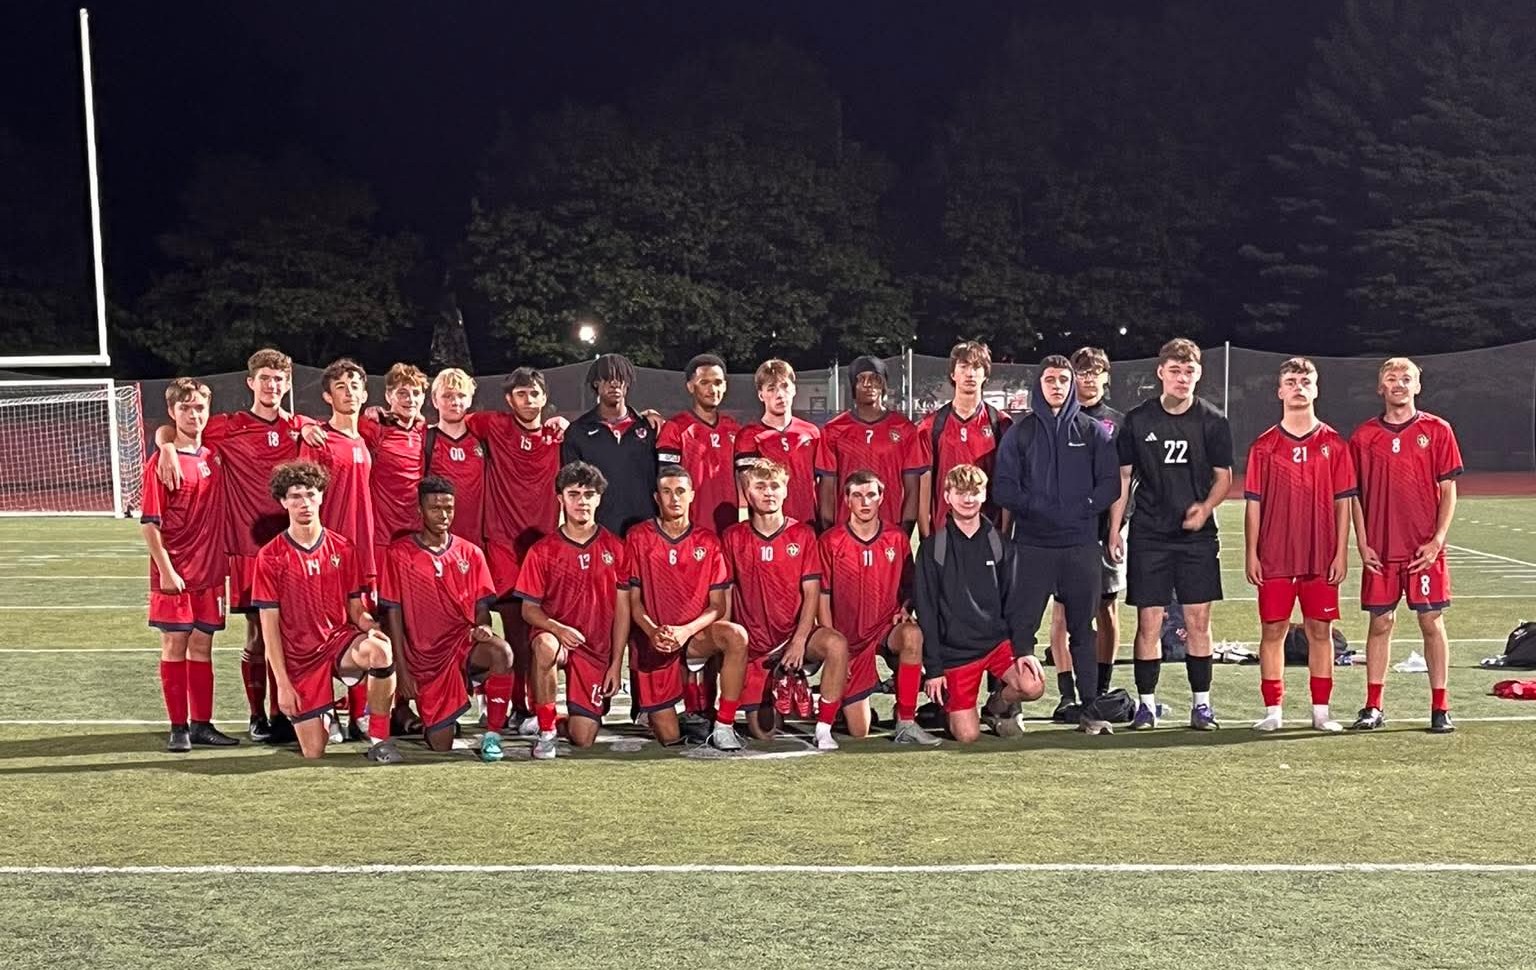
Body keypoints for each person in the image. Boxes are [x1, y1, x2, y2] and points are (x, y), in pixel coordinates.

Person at [153, 348, 309, 743]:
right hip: (243, 550)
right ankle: (257, 716)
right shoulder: (229, 426)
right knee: (257, 635)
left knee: (288, 635)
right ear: (250, 383)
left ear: (287, 385)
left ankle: (283, 714)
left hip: (289, 550)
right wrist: (166, 446)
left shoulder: (300, 427)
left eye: (279, 380)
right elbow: (178, 428)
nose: (272, 386)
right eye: (265, 379)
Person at [1108, 338, 1232, 731]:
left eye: (1190, 371)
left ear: (1199, 374)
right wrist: (1115, 528)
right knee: (1149, 622)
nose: (1183, 378)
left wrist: (1206, 508)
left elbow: (1224, 477)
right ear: (1161, 373)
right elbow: (1124, 479)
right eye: (1175, 371)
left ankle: (1202, 705)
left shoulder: (1213, 420)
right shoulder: (1138, 420)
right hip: (1149, 534)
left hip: (1196, 538)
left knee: (1198, 622)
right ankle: (1145, 706)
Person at [993, 355, 1121, 734]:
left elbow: (1110, 484)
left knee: (1083, 629)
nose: (1058, 386)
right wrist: (1037, 508)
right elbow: (1003, 487)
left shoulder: (1093, 431)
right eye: (1050, 379)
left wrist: (1081, 508)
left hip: (1080, 546)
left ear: (1071, 386)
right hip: (1032, 546)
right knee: (1021, 629)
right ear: (1040, 385)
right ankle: (1010, 705)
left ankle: (1090, 707)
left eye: (1064, 380)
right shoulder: (1021, 432)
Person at [251, 461, 401, 763]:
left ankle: (379, 740)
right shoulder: (270, 556)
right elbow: (269, 629)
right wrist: (282, 685)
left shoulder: (343, 548)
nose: (304, 503)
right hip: (300, 657)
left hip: (337, 643)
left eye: (310, 494)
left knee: (380, 651)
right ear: (283, 502)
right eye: (295, 496)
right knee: (314, 753)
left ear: (321, 497)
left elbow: (355, 608)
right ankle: (325, 712)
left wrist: (370, 625)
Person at [1348, 357, 1463, 734]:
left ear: (1418, 386)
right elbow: (1355, 496)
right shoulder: (1363, 436)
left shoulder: (1438, 430)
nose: (1399, 384)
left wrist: (1437, 541)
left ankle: (1440, 707)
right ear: (1380, 387)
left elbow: (1448, 490)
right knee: (1380, 622)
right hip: (1381, 549)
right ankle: (1373, 706)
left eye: (1406, 378)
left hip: (1423, 550)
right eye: (1391, 378)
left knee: (1431, 620)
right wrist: (1363, 545)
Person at [1243, 357, 1357, 733]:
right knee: (1273, 630)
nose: (1298, 386)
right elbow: (1254, 504)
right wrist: (1251, 552)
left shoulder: (1334, 444)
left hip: (1321, 555)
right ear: (1279, 391)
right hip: (1275, 554)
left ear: (1316, 389)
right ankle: (1273, 709)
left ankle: (1321, 711)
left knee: (1319, 631)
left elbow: (1343, 502)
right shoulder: (1264, 446)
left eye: (1305, 380)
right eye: (1290, 381)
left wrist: (1341, 552)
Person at [619, 464, 749, 750]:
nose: (674, 498)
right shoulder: (638, 537)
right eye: (666, 492)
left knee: (736, 634)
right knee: (669, 738)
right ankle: (663, 712)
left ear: (692, 495)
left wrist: (685, 631)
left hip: (694, 637)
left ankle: (724, 725)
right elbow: (633, 600)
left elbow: (717, 606)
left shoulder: (708, 541)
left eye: (680, 491)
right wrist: (654, 631)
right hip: (655, 641)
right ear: (656, 497)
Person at [465, 368, 567, 735]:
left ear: (544, 398)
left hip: (542, 550)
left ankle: (527, 705)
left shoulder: (556, 436)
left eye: (534, 394)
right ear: (509, 400)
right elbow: (453, 415)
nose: (528, 400)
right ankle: (501, 699)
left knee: (535, 631)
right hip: (502, 544)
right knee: (508, 628)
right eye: (520, 394)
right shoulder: (493, 425)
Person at [379, 477, 509, 759]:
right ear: (420, 511)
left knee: (502, 653)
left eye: (449, 507)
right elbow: (392, 613)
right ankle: (423, 717)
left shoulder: (471, 553)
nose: (443, 515)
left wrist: (483, 626)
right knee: (441, 744)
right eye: (435, 508)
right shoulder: (399, 553)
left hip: (461, 646)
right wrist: (401, 668)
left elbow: (481, 605)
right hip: (421, 655)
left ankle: (493, 735)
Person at [724, 459, 849, 750]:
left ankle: (824, 728)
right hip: (754, 646)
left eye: (775, 486)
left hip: (794, 638)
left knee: (836, 644)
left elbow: (812, 594)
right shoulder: (733, 536)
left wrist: (799, 640)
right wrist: (734, 648)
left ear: (786, 491)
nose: (768, 492)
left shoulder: (803, 534)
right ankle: (775, 684)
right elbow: (728, 594)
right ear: (747, 492)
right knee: (764, 732)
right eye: (760, 486)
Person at [141, 378, 237, 752]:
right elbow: (150, 523)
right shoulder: (162, 464)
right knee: (174, 645)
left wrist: (164, 441)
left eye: (199, 407)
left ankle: (202, 724)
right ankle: (178, 728)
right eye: (185, 408)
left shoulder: (213, 456)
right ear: (172, 411)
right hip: (176, 573)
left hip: (210, 572)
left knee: (202, 647)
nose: (193, 414)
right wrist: (166, 569)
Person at [915, 464, 1044, 743]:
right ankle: (947, 706)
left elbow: (1017, 603)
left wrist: (1024, 650)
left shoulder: (999, 543)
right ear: (947, 496)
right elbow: (926, 611)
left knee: (1033, 684)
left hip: (996, 644)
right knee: (967, 736)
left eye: (975, 492)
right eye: (960, 492)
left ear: (985, 495)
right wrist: (934, 669)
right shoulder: (933, 548)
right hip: (957, 653)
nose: (968, 498)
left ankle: (996, 707)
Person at [817, 470, 939, 745]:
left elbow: (910, 586)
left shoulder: (897, 538)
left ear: (881, 498)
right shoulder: (831, 541)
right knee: (860, 730)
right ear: (846, 499)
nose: (864, 502)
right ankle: (827, 695)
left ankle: (906, 721)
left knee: (912, 635)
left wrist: (907, 607)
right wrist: (835, 647)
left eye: (871, 495)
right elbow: (822, 597)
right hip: (850, 640)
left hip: (886, 628)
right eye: (857, 495)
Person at [516, 462, 628, 758]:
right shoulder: (542, 550)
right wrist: (557, 628)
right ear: (560, 499)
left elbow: (623, 611)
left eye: (589, 494)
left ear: (599, 498)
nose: (582, 501)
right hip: (558, 638)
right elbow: (529, 609)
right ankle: (546, 730)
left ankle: (560, 721)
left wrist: (616, 663)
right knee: (545, 645)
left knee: (584, 738)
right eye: (574, 493)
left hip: (595, 649)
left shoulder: (615, 548)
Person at [1046, 346, 1127, 718]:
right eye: (1082, 371)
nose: (1089, 377)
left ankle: (1101, 685)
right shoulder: (1055, 418)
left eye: (1096, 371)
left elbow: (1123, 481)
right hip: (1064, 532)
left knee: (1105, 609)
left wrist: (1114, 529)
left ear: (1106, 377)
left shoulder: (1117, 423)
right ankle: (1066, 692)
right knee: (1061, 612)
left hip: (1101, 532)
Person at [910, 340, 1012, 537]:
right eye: (964, 366)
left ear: (985, 374)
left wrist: (1005, 534)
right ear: (952, 374)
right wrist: (925, 537)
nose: (970, 373)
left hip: (988, 532)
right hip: (944, 533)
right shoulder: (930, 426)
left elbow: (1007, 481)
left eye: (977, 367)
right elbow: (924, 486)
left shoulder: (1000, 424)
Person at [816, 356, 922, 534]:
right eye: (861, 379)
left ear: (883, 385)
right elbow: (827, 487)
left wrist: (904, 531)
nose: (868, 384)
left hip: (890, 529)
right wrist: (829, 531)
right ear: (853, 386)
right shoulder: (834, 429)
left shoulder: (904, 428)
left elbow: (912, 487)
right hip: (846, 531)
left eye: (875, 378)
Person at [562, 353, 659, 536]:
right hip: (599, 533)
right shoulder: (578, 432)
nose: (615, 384)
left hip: (645, 532)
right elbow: (572, 488)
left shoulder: (650, 427)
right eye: (607, 378)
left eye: (620, 378)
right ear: (596, 383)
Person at [656, 354, 741, 535]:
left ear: (725, 386)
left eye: (718, 382)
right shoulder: (675, 428)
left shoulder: (733, 428)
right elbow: (666, 483)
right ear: (690, 387)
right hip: (689, 529)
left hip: (728, 526)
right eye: (704, 382)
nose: (712, 389)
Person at [734, 359, 823, 529]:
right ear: (761, 395)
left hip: (809, 524)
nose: (780, 394)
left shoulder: (811, 433)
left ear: (794, 389)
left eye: (784, 386)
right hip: (769, 529)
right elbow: (749, 490)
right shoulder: (749, 436)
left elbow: (822, 484)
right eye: (771, 389)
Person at [424, 368, 488, 545]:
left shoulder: (482, 440)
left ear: (469, 400)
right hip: (436, 544)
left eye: (461, 395)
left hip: (476, 543)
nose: (455, 402)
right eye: (447, 396)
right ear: (435, 401)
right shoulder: (426, 438)